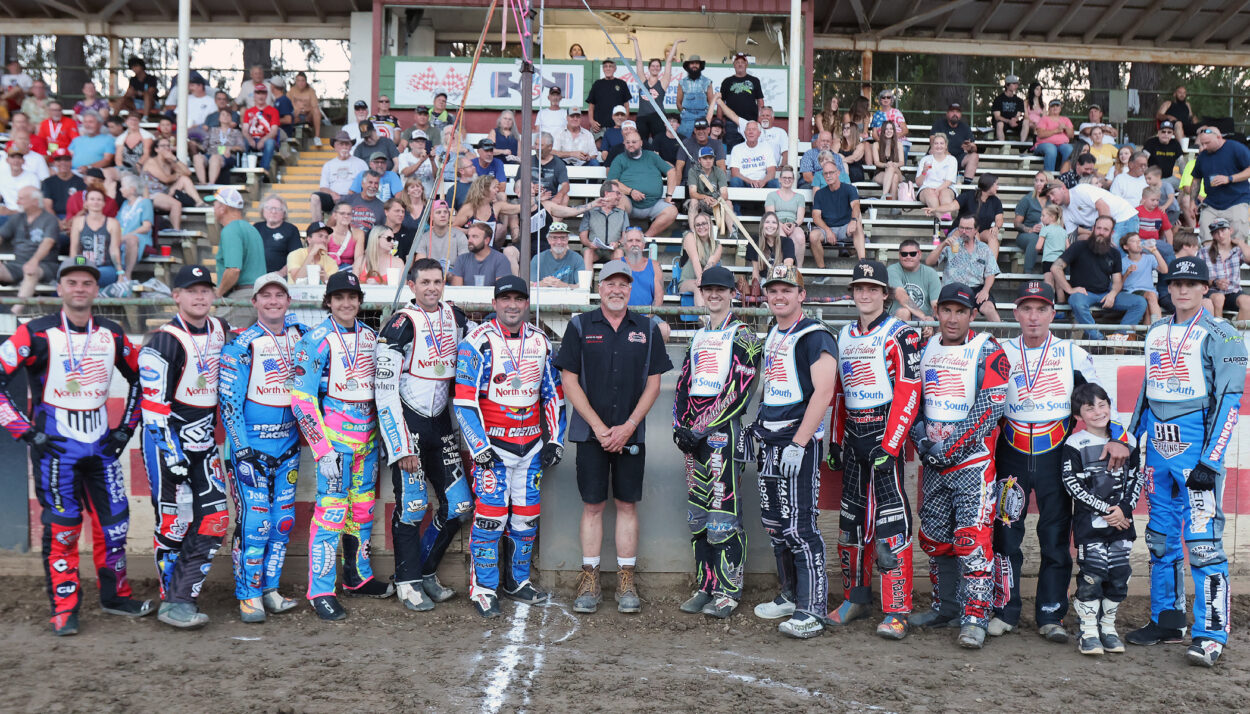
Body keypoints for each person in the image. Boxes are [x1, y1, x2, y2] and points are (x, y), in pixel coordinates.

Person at [0, 257, 150, 635]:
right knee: (64, 529)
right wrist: (23, 430)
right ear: (60, 289)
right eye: (72, 282)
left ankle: (115, 597)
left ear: (96, 290)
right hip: (56, 450)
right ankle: (64, 609)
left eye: (87, 282)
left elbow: (143, 381)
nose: (80, 288)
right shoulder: (35, 332)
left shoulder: (113, 334)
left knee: (115, 525)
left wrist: (124, 429)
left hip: (102, 447)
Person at [988, 281, 1127, 643]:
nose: (1033, 317)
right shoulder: (1000, 352)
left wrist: (1117, 438)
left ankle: (1051, 613)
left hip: (1056, 457)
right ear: (1015, 313)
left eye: (1041, 309)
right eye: (1026, 309)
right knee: (1005, 535)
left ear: (1053, 313)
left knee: (1054, 538)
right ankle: (1005, 609)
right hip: (1010, 455)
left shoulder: (1072, 353)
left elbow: (1097, 401)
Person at [1127, 256, 1247, 668]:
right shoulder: (1157, 329)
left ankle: (1211, 634)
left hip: (1197, 454)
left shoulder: (1225, 335)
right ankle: (1168, 619)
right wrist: (1130, 439)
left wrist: (1211, 461)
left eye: (1190, 284)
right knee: (1159, 538)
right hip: (1157, 453)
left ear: (1204, 288)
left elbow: (1231, 402)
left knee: (1202, 544)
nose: (1181, 290)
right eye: (1175, 283)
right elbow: (1147, 390)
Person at [556, 260, 670, 615]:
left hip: (631, 434)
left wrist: (628, 427)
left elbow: (654, 383)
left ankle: (625, 579)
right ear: (600, 287)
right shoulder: (579, 325)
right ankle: (589, 578)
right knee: (592, 505)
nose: (616, 290)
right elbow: (568, 381)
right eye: (610, 284)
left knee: (626, 504)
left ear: (630, 289)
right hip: (591, 435)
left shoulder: (648, 329)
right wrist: (600, 428)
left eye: (623, 284)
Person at [455, 276, 566, 616]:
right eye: (506, 299)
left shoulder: (541, 341)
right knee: (490, 518)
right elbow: (464, 401)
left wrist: (556, 440)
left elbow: (553, 395)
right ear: (495, 302)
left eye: (519, 299)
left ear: (527, 303)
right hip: (493, 450)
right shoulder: (477, 342)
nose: (512, 305)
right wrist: (479, 447)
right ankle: (484, 588)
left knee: (527, 517)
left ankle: (517, 582)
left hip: (531, 447)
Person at [908, 283, 1010, 649]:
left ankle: (975, 617)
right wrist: (922, 441)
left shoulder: (988, 349)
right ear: (937, 311)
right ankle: (946, 607)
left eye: (961, 311)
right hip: (933, 462)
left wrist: (948, 449)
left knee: (973, 542)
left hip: (972, 464)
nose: (953, 318)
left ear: (972, 314)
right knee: (935, 540)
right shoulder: (924, 347)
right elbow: (912, 400)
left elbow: (990, 407)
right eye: (947, 310)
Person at [827, 260, 922, 640]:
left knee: (892, 524)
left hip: (885, 436)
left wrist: (892, 442)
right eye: (858, 288)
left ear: (885, 293)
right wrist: (834, 440)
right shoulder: (843, 334)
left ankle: (897, 610)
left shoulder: (900, 334)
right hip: (853, 437)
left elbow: (909, 391)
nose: (864, 294)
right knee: (850, 523)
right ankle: (855, 598)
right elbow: (836, 392)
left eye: (872, 288)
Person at [291, 271, 394, 621]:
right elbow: (302, 399)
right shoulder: (316, 340)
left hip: (367, 442)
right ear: (328, 302)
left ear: (360, 301)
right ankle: (320, 590)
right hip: (334, 447)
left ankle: (357, 576)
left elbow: (383, 392)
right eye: (339, 298)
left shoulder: (370, 336)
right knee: (331, 515)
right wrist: (322, 449)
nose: (347, 303)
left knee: (363, 511)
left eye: (352, 297)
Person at [375, 259, 473, 611]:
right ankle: (406, 581)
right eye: (425, 282)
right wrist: (400, 447)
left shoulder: (456, 317)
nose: (432, 288)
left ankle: (426, 572)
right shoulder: (400, 324)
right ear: (412, 286)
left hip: (441, 424)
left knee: (460, 506)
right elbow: (383, 390)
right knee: (412, 506)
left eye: (437, 281)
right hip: (409, 424)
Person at [138, 265, 232, 629]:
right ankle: (170, 601)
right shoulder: (162, 341)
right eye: (191, 290)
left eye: (205, 289)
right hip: (167, 444)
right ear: (175, 296)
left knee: (215, 518)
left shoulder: (221, 329)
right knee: (174, 525)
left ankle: (183, 595)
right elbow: (153, 408)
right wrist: (173, 455)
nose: (199, 296)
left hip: (205, 442)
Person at [749, 264, 835, 639]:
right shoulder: (774, 333)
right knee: (775, 525)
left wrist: (800, 442)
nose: (779, 296)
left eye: (787, 289)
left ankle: (812, 608)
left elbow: (824, 391)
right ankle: (789, 593)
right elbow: (773, 386)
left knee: (801, 527)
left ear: (802, 294)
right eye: (773, 290)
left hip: (797, 441)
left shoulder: (815, 335)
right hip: (770, 437)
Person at [672, 265, 762, 618]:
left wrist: (702, 428)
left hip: (724, 438)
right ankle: (705, 585)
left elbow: (738, 393)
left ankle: (728, 590)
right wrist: (681, 426)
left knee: (723, 515)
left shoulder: (745, 337)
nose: (714, 295)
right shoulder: (697, 335)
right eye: (708, 289)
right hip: (693, 439)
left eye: (720, 289)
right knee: (697, 516)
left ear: (732, 293)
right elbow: (683, 385)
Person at [218, 274, 308, 622]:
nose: (273, 301)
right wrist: (241, 450)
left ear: (288, 301)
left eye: (279, 295)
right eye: (265, 295)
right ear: (254, 302)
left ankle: (270, 589)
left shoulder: (301, 338)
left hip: (287, 447)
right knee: (255, 523)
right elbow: (228, 404)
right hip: (249, 452)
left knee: (282, 522)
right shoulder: (242, 343)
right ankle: (248, 594)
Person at [1059, 382, 1141, 656]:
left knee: (1119, 576)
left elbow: (1135, 479)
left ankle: (1108, 628)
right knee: (1092, 576)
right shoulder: (1074, 443)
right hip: (1089, 526)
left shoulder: (1128, 441)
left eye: (1102, 404)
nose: (1098, 411)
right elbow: (1072, 484)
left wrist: (1123, 510)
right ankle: (1088, 631)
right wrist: (1106, 510)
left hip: (1122, 525)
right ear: (1079, 416)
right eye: (1089, 407)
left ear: (1110, 405)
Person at [1050, 215, 1148, 341]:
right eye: (1099, 228)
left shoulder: (1114, 253)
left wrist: (1112, 294)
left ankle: (1119, 337)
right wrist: (1069, 289)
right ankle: (1099, 340)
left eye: (1105, 230)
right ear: (1093, 228)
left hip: (1105, 294)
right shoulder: (1078, 246)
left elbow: (1117, 281)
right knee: (1076, 301)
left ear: (1111, 233)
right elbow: (1055, 268)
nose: (1101, 232)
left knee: (1140, 302)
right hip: (1084, 294)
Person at [608, 131, 678, 238]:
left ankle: (645, 238)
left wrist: (669, 196)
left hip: (654, 203)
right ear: (624, 144)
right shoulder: (619, 159)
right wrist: (631, 192)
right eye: (628, 142)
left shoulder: (651, 156)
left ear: (641, 143)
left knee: (672, 211)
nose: (630, 144)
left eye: (634, 142)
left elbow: (671, 171)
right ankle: (624, 239)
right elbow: (612, 181)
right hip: (629, 202)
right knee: (617, 200)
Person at [0, 185, 59, 308]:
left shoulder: (50, 219)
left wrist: (34, 261)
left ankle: (15, 313)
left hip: (44, 266)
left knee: (31, 271)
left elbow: (47, 243)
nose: (17, 202)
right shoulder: (16, 218)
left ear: (35, 201)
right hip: (17, 265)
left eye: (21, 199)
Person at [1190, 124, 1250, 243]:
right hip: (1212, 203)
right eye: (1202, 144)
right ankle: (1210, 259)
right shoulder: (1203, 156)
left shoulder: (1236, 148)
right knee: (1205, 235)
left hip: (1236, 200)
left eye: (1207, 143)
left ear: (1218, 137)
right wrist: (1192, 201)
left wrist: (1230, 178)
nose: (1204, 147)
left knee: (1237, 238)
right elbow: (1196, 179)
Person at [628, 35, 684, 145]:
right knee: (641, 143)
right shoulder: (642, 81)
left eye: (657, 66)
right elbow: (639, 62)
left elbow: (668, 62)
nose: (655, 68)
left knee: (659, 142)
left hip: (658, 117)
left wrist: (676, 43)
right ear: (649, 68)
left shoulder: (662, 83)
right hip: (642, 117)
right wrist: (635, 41)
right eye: (652, 66)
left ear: (660, 69)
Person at [1046, 180, 1140, 244]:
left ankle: (1148, 248)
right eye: (1048, 197)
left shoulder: (1080, 190)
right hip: (1111, 221)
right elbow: (1072, 238)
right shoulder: (1064, 211)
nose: (1051, 199)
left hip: (1124, 215)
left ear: (1063, 188)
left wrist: (1103, 236)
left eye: (1052, 193)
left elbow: (1104, 208)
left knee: (1116, 249)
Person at [142, 138, 206, 229]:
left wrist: (175, 159)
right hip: (151, 194)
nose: (166, 148)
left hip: (165, 192)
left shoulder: (169, 162)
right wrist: (177, 175)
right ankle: (176, 232)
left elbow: (188, 172)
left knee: (184, 179)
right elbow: (166, 179)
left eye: (168, 146)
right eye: (163, 146)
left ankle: (199, 202)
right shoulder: (151, 162)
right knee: (176, 204)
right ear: (156, 149)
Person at [810, 163, 865, 265]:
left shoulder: (849, 189)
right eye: (825, 173)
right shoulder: (820, 194)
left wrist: (853, 220)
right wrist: (828, 230)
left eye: (831, 172)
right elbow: (816, 217)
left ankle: (863, 263)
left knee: (857, 225)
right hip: (827, 227)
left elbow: (856, 206)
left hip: (846, 226)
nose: (828, 176)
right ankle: (822, 271)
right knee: (813, 236)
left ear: (838, 173)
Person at [69, 188, 124, 288]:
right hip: (84, 263)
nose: (95, 202)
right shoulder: (78, 221)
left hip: (105, 266)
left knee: (90, 276)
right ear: (86, 203)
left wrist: (120, 272)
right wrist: (74, 267)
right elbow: (74, 249)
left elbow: (114, 250)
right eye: (92, 199)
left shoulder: (112, 223)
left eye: (99, 199)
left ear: (104, 203)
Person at [311, 131, 368, 223]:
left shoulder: (361, 164)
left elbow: (367, 185)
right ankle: (318, 227)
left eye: (347, 144)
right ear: (335, 147)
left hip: (353, 197)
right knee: (315, 197)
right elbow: (323, 187)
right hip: (333, 198)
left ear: (351, 146)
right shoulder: (328, 165)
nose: (344, 147)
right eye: (341, 144)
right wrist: (332, 194)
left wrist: (351, 195)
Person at [1202, 217, 1250, 320]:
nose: (1220, 235)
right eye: (1216, 233)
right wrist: (1215, 282)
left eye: (1223, 230)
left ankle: (1237, 334)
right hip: (1212, 292)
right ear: (1213, 236)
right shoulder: (1204, 251)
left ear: (1230, 230)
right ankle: (1219, 331)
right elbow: (1200, 278)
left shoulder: (1238, 250)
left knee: (1247, 301)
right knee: (1219, 298)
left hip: (1233, 291)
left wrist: (1241, 243)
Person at [889, 239, 941, 324]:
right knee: (904, 312)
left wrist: (932, 320)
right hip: (899, 318)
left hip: (925, 319)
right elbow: (901, 296)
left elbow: (936, 303)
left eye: (912, 254)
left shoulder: (930, 273)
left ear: (919, 254)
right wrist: (923, 318)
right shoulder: (892, 270)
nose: (908, 257)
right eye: (904, 254)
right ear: (899, 255)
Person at [718, 54, 764, 149]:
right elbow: (720, 103)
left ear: (746, 64)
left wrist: (760, 119)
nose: (740, 64)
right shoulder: (727, 82)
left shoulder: (755, 81)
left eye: (742, 62)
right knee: (732, 150)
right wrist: (719, 122)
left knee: (752, 149)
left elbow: (760, 101)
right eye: (737, 62)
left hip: (750, 122)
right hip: (731, 124)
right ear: (734, 65)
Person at [580, 180, 629, 269]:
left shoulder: (622, 214)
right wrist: (589, 244)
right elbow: (583, 235)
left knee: (619, 253)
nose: (620, 196)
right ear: (607, 193)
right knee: (587, 252)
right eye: (617, 193)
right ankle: (587, 283)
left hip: (613, 251)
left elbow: (625, 236)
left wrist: (618, 243)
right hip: (594, 250)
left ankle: (616, 282)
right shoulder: (590, 212)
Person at [952, 173, 1004, 255]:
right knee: (975, 235)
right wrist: (935, 209)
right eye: (996, 184)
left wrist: (996, 227)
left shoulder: (995, 201)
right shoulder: (968, 196)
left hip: (982, 231)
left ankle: (991, 266)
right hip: (964, 230)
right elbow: (952, 206)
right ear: (989, 185)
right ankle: (977, 265)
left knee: (993, 236)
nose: (998, 187)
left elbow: (999, 218)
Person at [1121, 233, 1169, 323]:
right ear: (1126, 247)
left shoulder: (1149, 258)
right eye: (1133, 241)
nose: (1138, 243)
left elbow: (1164, 270)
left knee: (1148, 307)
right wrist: (1127, 273)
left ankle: (1147, 333)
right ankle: (1158, 327)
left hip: (1150, 293)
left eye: (1139, 240)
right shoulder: (1122, 262)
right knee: (1150, 296)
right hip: (1131, 293)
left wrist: (1154, 251)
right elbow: (1119, 285)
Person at [677, 212, 723, 304]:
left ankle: (716, 317)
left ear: (710, 224)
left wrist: (703, 281)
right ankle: (703, 318)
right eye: (698, 225)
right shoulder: (689, 236)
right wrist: (701, 280)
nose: (701, 227)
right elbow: (695, 260)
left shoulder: (717, 245)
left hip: (707, 282)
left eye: (704, 223)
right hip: (687, 282)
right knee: (699, 287)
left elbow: (711, 263)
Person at [450, 222, 514, 286]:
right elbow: (457, 291)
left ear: (487, 240)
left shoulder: (501, 260)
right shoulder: (461, 260)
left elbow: (501, 290)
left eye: (475, 237)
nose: (469, 240)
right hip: (466, 296)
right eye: (469, 236)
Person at [253, 194, 302, 276]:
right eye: (269, 208)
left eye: (278, 209)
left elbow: (296, 257)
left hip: (280, 276)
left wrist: (281, 273)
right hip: (256, 275)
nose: (273, 211)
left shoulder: (291, 229)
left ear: (284, 212)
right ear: (263, 210)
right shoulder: (256, 227)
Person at [414, 199, 469, 272]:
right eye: (438, 212)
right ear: (432, 217)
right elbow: (420, 265)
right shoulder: (424, 237)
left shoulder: (459, 235)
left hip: (454, 274)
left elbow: (464, 264)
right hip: (431, 274)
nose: (443, 215)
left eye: (445, 212)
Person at [931, 103, 979, 183]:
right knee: (933, 151)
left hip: (958, 158)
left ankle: (965, 189)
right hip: (941, 155)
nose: (955, 114)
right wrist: (947, 154)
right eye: (952, 111)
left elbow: (974, 147)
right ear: (947, 113)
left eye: (958, 112)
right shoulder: (939, 124)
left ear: (960, 114)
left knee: (974, 156)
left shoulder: (965, 127)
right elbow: (932, 142)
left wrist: (971, 147)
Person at [195, 109, 246, 185]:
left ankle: (211, 184)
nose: (225, 117)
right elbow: (204, 147)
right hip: (211, 153)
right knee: (197, 157)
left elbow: (242, 147)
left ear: (231, 118)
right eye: (223, 114)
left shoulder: (236, 132)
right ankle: (202, 182)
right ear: (219, 118)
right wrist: (194, 144)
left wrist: (231, 148)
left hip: (227, 156)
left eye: (228, 115)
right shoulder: (212, 130)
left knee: (215, 157)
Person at [1014, 171, 1050, 273]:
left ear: (1048, 183)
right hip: (1027, 235)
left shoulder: (1052, 200)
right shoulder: (1027, 199)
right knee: (1035, 239)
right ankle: (1027, 274)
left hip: (1047, 235)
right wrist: (1029, 229)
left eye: (1042, 181)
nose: (1038, 183)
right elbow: (1016, 223)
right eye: (1036, 181)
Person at [726, 120, 779, 190]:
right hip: (744, 183)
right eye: (748, 129)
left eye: (754, 129)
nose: (751, 132)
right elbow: (735, 173)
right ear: (745, 133)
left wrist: (763, 181)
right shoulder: (737, 149)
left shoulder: (766, 148)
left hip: (762, 183)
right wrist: (750, 181)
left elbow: (771, 171)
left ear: (759, 133)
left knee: (775, 183)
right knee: (735, 181)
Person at [685, 146, 727, 232]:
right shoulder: (693, 171)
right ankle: (693, 232)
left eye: (711, 158)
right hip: (700, 201)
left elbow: (725, 193)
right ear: (699, 160)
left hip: (716, 202)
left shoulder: (719, 171)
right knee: (693, 201)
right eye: (705, 158)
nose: (708, 161)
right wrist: (705, 197)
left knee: (729, 203)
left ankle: (733, 233)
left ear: (713, 160)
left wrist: (718, 201)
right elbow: (692, 193)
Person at [916, 134, 958, 220]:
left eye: (941, 143)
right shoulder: (925, 160)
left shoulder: (952, 159)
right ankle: (945, 224)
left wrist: (938, 190)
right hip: (927, 189)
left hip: (946, 187)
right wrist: (924, 172)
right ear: (932, 145)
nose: (939, 146)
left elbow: (949, 181)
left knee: (945, 193)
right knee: (930, 193)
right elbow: (918, 183)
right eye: (936, 143)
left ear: (946, 146)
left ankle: (943, 218)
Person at [530, 222, 583, 287]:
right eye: (554, 238)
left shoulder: (577, 258)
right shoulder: (537, 259)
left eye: (563, 238)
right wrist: (542, 283)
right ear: (548, 240)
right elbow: (530, 285)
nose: (559, 242)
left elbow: (581, 286)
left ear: (567, 239)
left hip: (568, 296)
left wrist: (563, 285)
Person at [586, 59, 631, 135]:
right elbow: (591, 106)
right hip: (599, 127)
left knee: (617, 146)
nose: (608, 68)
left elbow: (626, 106)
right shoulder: (597, 84)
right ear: (603, 69)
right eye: (605, 66)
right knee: (599, 147)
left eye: (611, 66)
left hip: (616, 127)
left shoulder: (622, 84)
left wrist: (624, 121)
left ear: (615, 69)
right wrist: (591, 121)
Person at [241, 84, 281, 171]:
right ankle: (243, 170)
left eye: (263, 93)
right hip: (252, 138)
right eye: (258, 93)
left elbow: (274, 131)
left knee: (270, 143)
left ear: (266, 95)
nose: (260, 96)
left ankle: (263, 171)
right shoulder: (248, 111)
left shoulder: (273, 111)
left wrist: (262, 141)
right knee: (243, 142)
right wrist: (250, 139)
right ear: (254, 95)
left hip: (266, 139)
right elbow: (244, 130)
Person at [41, 148, 85, 225]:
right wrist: (58, 222)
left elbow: (84, 207)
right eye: (58, 160)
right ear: (54, 163)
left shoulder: (81, 182)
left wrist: (71, 221)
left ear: (71, 162)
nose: (63, 163)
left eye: (66, 159)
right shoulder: (47, 182)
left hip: (76, 217)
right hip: (54, 217)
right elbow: (47, 206)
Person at [676, 54, 713, 139]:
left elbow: (711, 102)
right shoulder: (682, 82)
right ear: (688, 66)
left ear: (700, 65)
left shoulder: (707, 82)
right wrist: (684, 112)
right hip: (686, 119)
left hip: (702, 117)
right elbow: (678, 102)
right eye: (692, 63)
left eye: (697, 63)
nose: (694, 65)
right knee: (684, 142)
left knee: (702, 141)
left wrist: (706, 115)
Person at [1032, 99, 1075, 173]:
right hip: (1044, 145)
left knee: (1069, 149)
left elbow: (1071, 136)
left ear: (1060, 108)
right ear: (1049, 108)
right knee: (1051, 149)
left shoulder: (1065, 119)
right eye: (1053, 106)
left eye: (1057, 106)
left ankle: (1064, 176)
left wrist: (1066, 128)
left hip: (1062, 145)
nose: (1055, 108)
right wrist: (1056, 130)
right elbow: (1040, 134)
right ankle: (1049, 178)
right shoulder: (1044, 119)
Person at [287, 72, 323, 146]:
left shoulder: (311, 91)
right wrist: (297, 110)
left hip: (307, 116)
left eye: (302, 80)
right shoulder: (291, 91)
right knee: (289, 112)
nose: (301, 83)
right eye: (298, 80)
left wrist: (303, 109)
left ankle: (317, 137)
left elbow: (314, 106)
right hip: (295, 116)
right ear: (296, 82)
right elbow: (287, 105)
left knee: (316, 111)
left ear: (306, 82)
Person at [114, 112, 153, 177]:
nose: (133, 122)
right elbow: (118, 157)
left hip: (142, 166)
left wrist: (137, 166)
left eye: (135, 120)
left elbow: (147, 154)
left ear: (139, 122)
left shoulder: (147, 136)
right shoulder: (121, 138)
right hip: (125, 167)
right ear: (126, 122)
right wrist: (122, 168)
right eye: (131, 119)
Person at [872, 122, 903, 200]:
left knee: (892, 168)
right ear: (883, 131)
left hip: (896, 170)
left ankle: (884, 195)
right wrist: (886, 165)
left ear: (894, 131)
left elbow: (902, 162)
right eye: (886, 129)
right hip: (880, 172)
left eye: (891, 129)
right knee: (894, 178)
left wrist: (894, 164)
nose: (889, 131)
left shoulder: (898, 144)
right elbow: (876, 162)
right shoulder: (876, 145)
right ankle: (894, 207)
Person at [992, 75, 1024, 141]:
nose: (1016, 86)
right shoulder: (999, 99)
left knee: (1026, 123)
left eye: (1017, 84)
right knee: (1000, 124)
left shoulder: (1019, 101)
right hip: (1004, 122)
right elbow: (997, 116)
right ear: (1007, 85)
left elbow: (1018, 115)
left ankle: (1023, 145)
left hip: (1014, 122)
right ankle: (1002, 146)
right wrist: (1009, 121)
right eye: (1014, 84)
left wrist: (1014, 120)